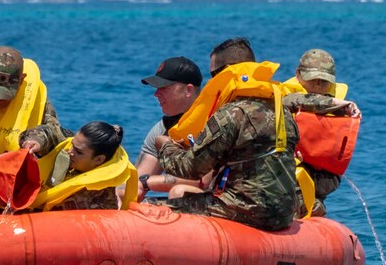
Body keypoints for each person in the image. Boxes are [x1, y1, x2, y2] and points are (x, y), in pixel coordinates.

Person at [154, 37, 300, 231]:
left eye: (214, 74)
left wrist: (165, 146)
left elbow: (191, 168)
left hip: (245, 209)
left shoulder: (230, 114)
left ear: (226, 73)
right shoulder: (283, 111)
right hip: (285, 212)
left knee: (151, 209)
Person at [282, 49, 360, 217]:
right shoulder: (284, 97)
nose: (317, 85)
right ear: (298, 74)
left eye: (323, 81)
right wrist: (335, 103)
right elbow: (298, 100)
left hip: (317, 183)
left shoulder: (338, 113)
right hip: (283, 179)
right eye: (312, 79)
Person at [131, 56, 203, 203]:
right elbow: (137, 182)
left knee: (180, 192)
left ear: (188, 90)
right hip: (183, 204)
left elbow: (206, 181)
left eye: (163, 88)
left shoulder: (215, 124)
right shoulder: (162, 129)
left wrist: (148, 182)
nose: (156, 94)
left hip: (221, 203)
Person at [23, 121, 136, 210]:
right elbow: (49, 131)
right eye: (72, 145)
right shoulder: (76, 145)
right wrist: (36, 141)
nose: (69, 152)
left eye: (78, 152)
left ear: (98, 159)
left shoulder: (100, 197)